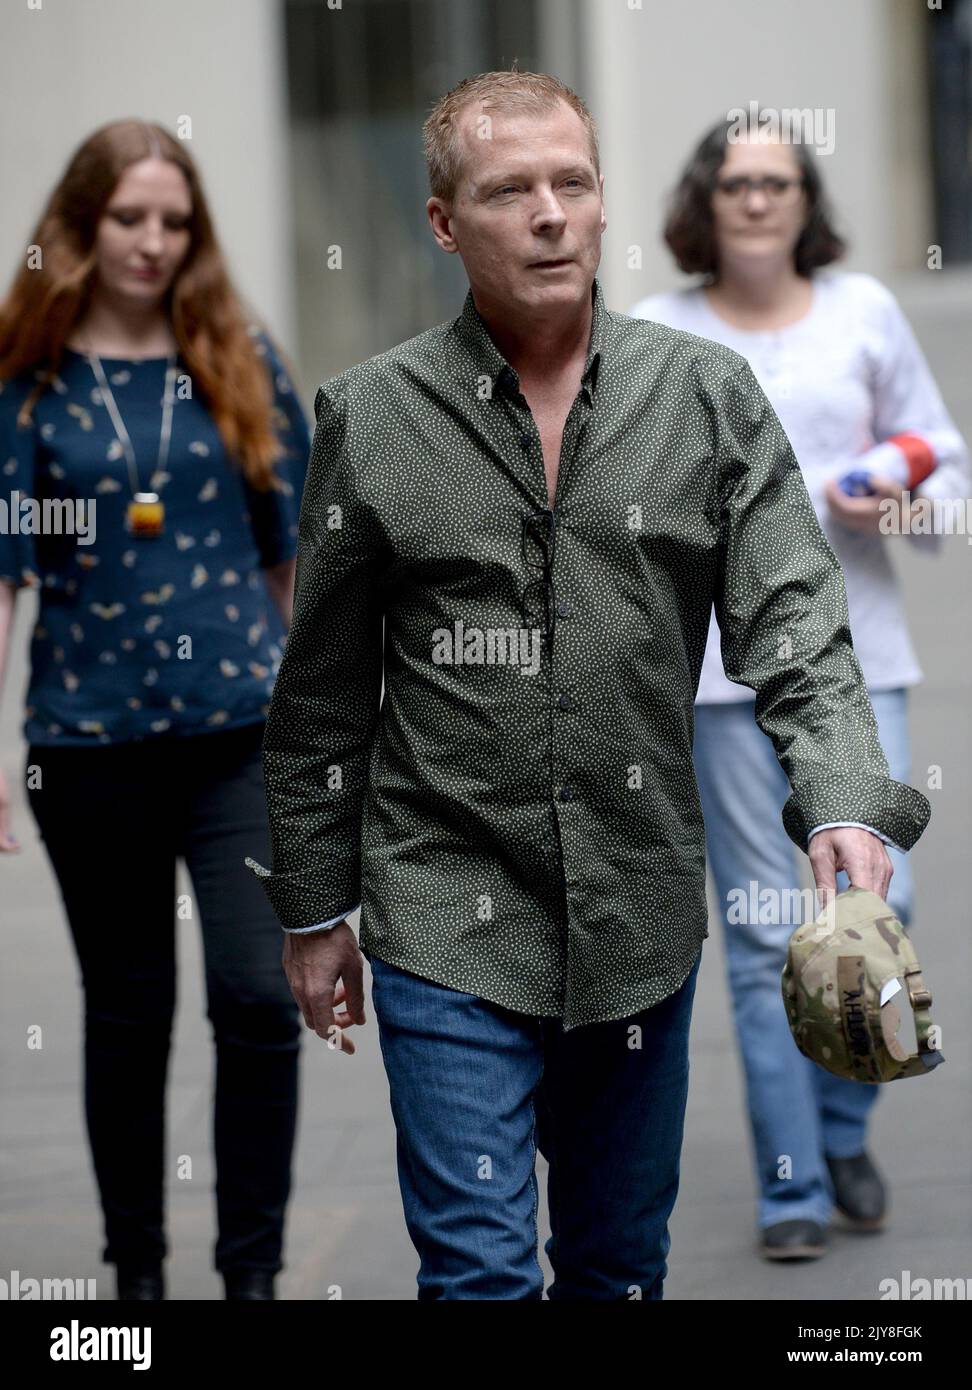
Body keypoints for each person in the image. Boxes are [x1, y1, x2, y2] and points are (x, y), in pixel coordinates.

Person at [246, 70, 931, 1301]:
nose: (552, 212)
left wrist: (839, 797)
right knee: (479, 1275)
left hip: (637, 905)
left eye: (574, 183)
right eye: (511, 191)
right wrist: (312, 906)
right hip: (443, 897)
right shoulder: (374, 416)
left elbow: (794, 619)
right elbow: (323, 693)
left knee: (617, 1267)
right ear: (447, 223)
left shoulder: (705, 395)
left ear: (606, 203)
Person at [628, 112, 969, 1262]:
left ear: (805, 199)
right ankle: (792, 1183)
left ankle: (843, 1118)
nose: (759, 200)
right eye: (737, 182)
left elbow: (947, 476)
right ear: (705, 203)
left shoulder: (866, 312)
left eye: (779, 181)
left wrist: (900, 503)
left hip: (863, 664)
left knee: (886, 906)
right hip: (728, 683)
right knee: (773, 921)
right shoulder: (658, 334)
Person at [0, 119, 312, 1300]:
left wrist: (333, 717)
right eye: (128, 217)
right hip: (89, 747)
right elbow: (3, 575)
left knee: (253, 994)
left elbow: (292, 558)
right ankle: (135, 1270)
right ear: (81, 225)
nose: (153, 240)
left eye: (174, 220)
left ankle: (253, 1277)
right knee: (129, 1014)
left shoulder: (236, 353)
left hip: (240, 734)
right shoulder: (27, 383)